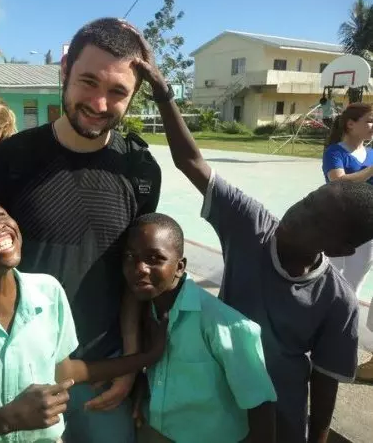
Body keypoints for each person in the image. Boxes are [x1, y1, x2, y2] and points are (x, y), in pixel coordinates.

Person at [129, 28, 373, 443]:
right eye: (310, 199)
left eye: (317, 219)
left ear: (339, 248)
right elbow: (192, 162)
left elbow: (326, 381)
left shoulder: (337, 300)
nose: (299, 212)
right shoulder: (254, 226)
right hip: (222, 407)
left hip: (281, 420)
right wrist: (165, 92)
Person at [0, 18, 162, 443]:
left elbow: (137, 279)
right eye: (88, 82)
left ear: (133, 96)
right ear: (64, 72)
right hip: (21, 374)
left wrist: (130, 366)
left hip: (104, 373)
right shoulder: (10, 160)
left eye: (117, 92)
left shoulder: (140, 169)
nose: (99, 103)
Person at [0, 193, 167, 443]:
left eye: (0, 216)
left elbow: (65, 370)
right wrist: (6, 419)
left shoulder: (49, 292)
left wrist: (145, 358)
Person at [124, 213, 277, 443]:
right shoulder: (146, 310)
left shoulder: (223, 324)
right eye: (130, 256)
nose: (140, 268)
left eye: (154, 258)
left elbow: (261, 408)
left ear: (180, 266)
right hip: (156, 432)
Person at [322, 103, 373, 382]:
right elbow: (338, 184)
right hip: (338, 229)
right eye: (369, 121)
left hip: (366, 232)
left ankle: (344, 342)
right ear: (350, 124)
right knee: (329, 282)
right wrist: (370, 170)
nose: (372, 126)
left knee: (354, 287)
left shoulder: (372, 153)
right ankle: (323, 333)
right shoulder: (335, 153)